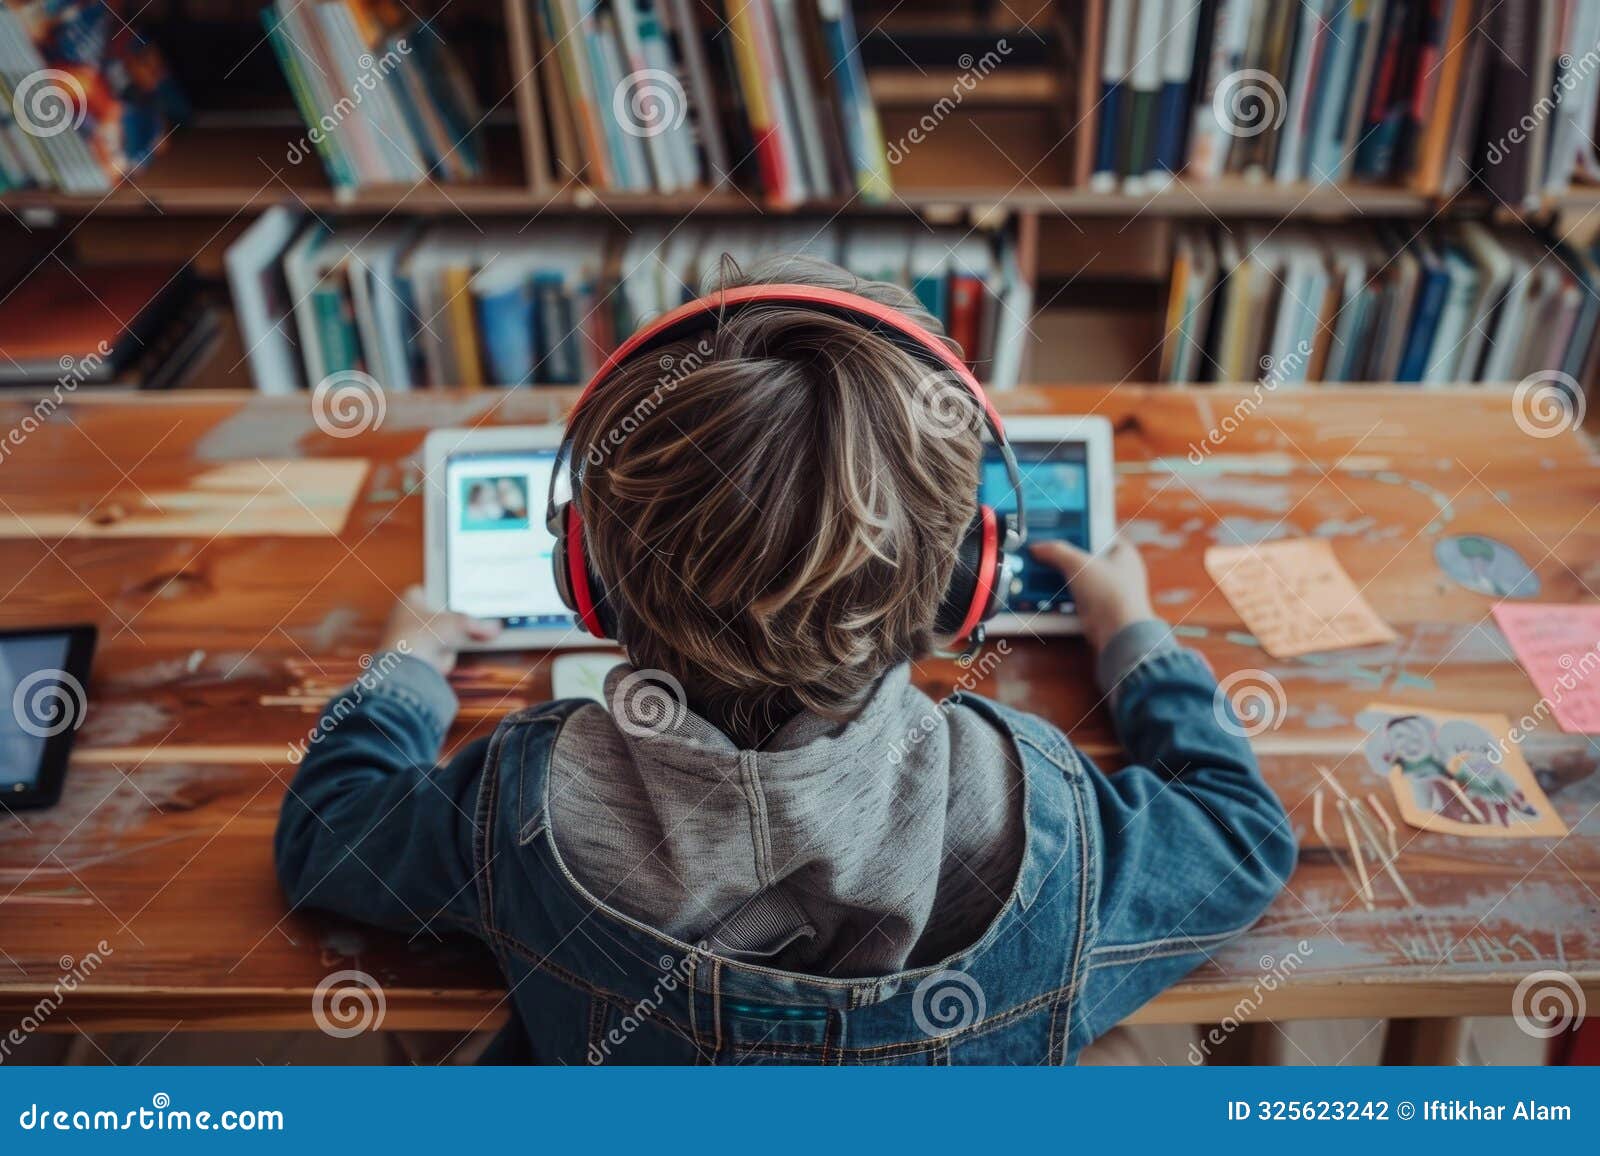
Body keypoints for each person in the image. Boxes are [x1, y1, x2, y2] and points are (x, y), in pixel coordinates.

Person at [275, 257, 1296, 1064]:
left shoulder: (522, 803)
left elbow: (325, 835)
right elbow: (1242, 836)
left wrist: (406, 666)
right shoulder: (1045, 817)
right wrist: (1133, 638)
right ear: (964, 586)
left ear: (587, 579)